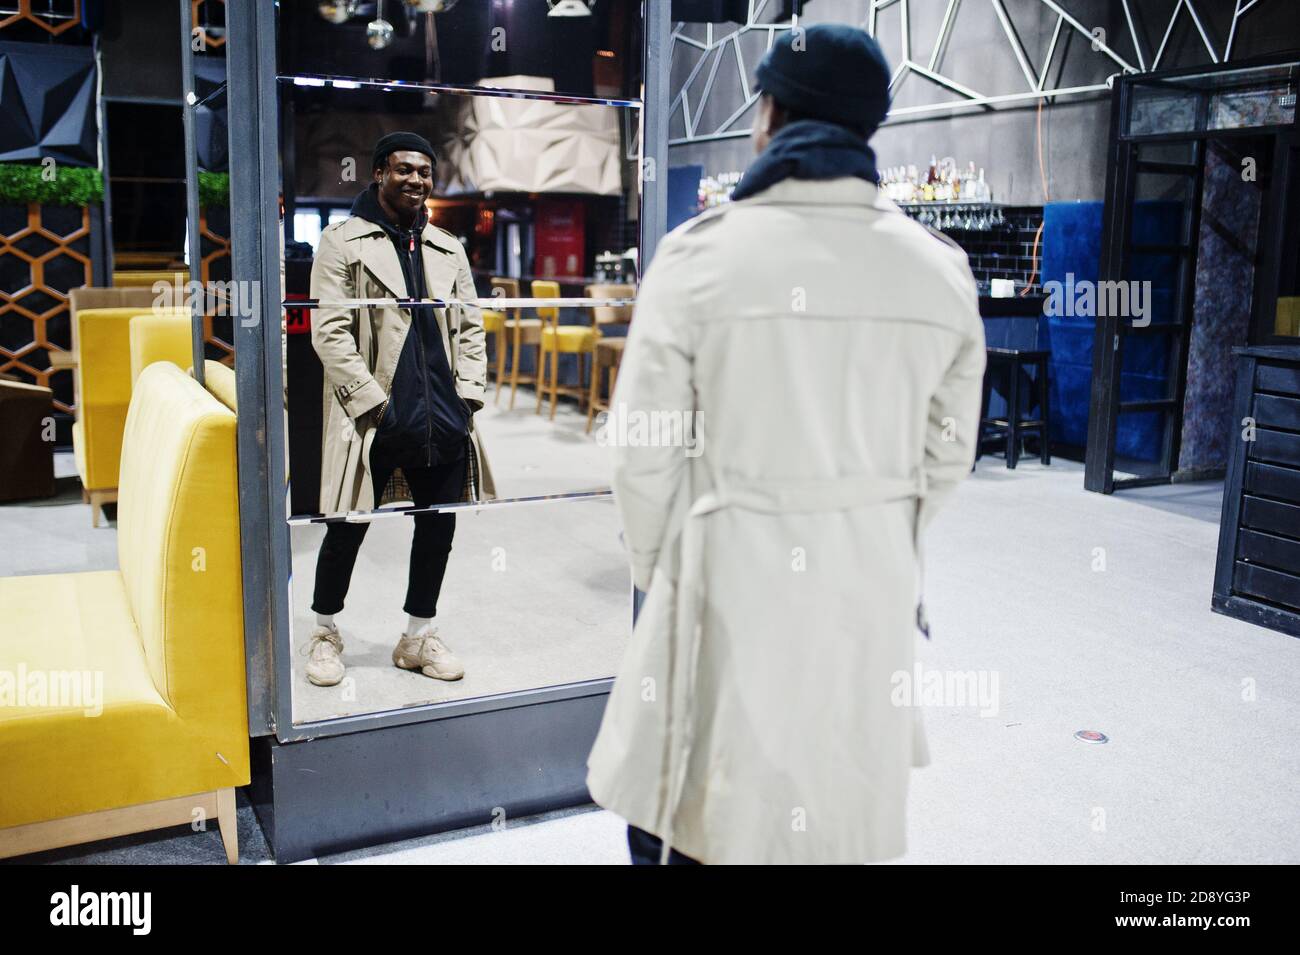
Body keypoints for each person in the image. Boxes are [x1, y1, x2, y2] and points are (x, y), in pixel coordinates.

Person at [586, 24, 986, 865]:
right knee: (832, 803)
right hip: (868, 593)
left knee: (701, 813)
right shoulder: (939, 270)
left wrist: (666, 573)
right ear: (868, 127)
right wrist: (876, 525)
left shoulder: (700, 258)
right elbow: (948, 455)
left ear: (767, 112)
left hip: (722, 588)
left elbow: (641, 455)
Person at [303, 131, 494, 688]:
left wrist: (469, 395)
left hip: (444, 413)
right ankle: (324, 630)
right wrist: (374, 404)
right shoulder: (342, 242)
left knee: (437, 530)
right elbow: (330, 332)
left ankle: (417, 636)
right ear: (379, 174)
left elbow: (472, 327)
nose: (416, 179)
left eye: (425, 171)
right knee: (347, 524)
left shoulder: (446, 246)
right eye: (404, 169)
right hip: (378, 414)